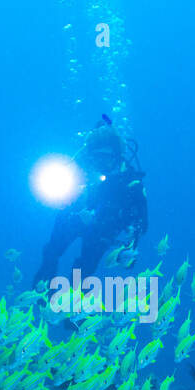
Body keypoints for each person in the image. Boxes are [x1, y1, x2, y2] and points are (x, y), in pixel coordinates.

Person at [33, 115, 148, 285]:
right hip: (74, 220)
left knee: (84, 270)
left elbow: (142, 223)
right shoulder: (78, 171)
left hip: (103, 231)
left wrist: (131, 240)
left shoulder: (130, 184)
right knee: (51, 252)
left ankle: (72, 305)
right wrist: (76, 212)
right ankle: (40, 298)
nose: (100, 164)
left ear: (117, 157)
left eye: (106, 158)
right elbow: (60, 200)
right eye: (96, 158)